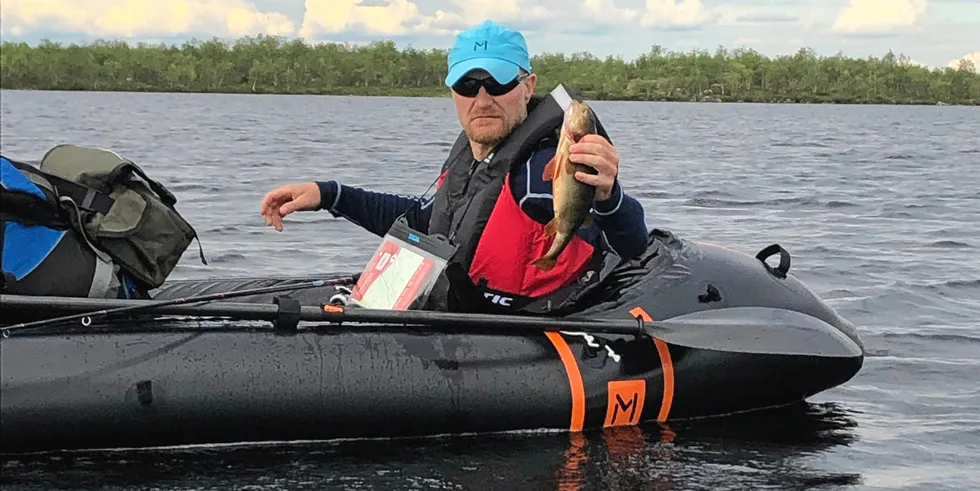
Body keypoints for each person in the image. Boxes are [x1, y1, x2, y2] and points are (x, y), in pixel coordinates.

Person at [260, 20, 649, 314]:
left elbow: (631, 247)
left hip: (527, 332)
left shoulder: (547, 168)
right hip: (462, 318)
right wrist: (329, 195)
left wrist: (609, 196)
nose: (482, 99)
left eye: (497, 84)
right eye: (467, 86)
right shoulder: (475, 159)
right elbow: (426, 224)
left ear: (528, 87)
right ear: (452, 92)